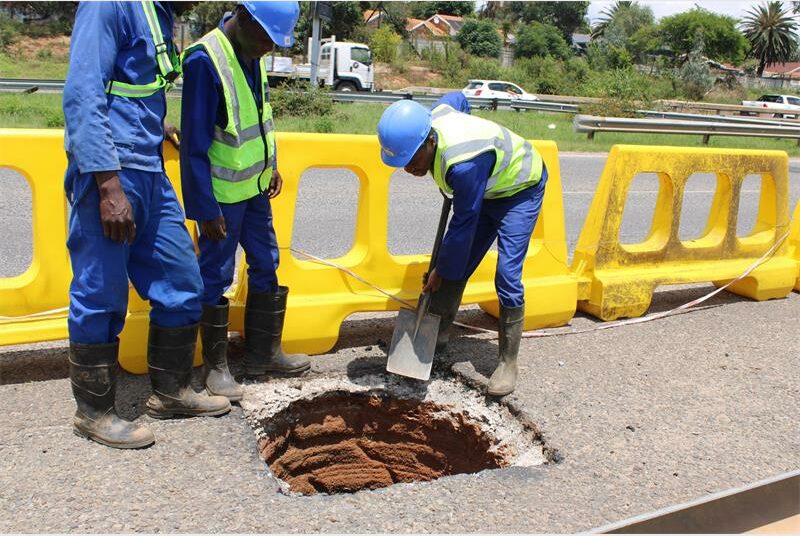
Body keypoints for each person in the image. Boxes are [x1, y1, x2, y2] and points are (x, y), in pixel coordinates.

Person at [63, 1, 231, 450]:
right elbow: (83, 93)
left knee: (181, 279)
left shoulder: (160, 13)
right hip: (111, 173)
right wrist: (107, 186)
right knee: (101, 292)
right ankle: (94, 413)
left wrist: (157, 125)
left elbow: (132, 85)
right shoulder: (109, 5)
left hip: (150, 170)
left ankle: (172, 391)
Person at [377, 92, 549, 396]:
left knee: (506, 273)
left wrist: (440, 269)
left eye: (412, 160)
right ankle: (435, 338)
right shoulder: (433, 117)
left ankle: (508, 362)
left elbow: (463, 223)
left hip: (521, 189)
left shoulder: (463, 166)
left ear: (430, 141)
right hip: (487, 191)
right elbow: (457, 98)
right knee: (459, 260)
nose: (409, 169)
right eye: (401, 163)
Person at [179, 1, 309, 399]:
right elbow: (194, 146)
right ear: (245, 17)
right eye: (267, 38)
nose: (270, 48)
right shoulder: (206, 60)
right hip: (222, 197)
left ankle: (263, 353)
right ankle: (215, 368)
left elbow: (258, 117)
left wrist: (272, 165)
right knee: (216, 274)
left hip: (254, 189)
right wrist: (205, 210)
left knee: (267, 261)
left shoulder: (251, 50)